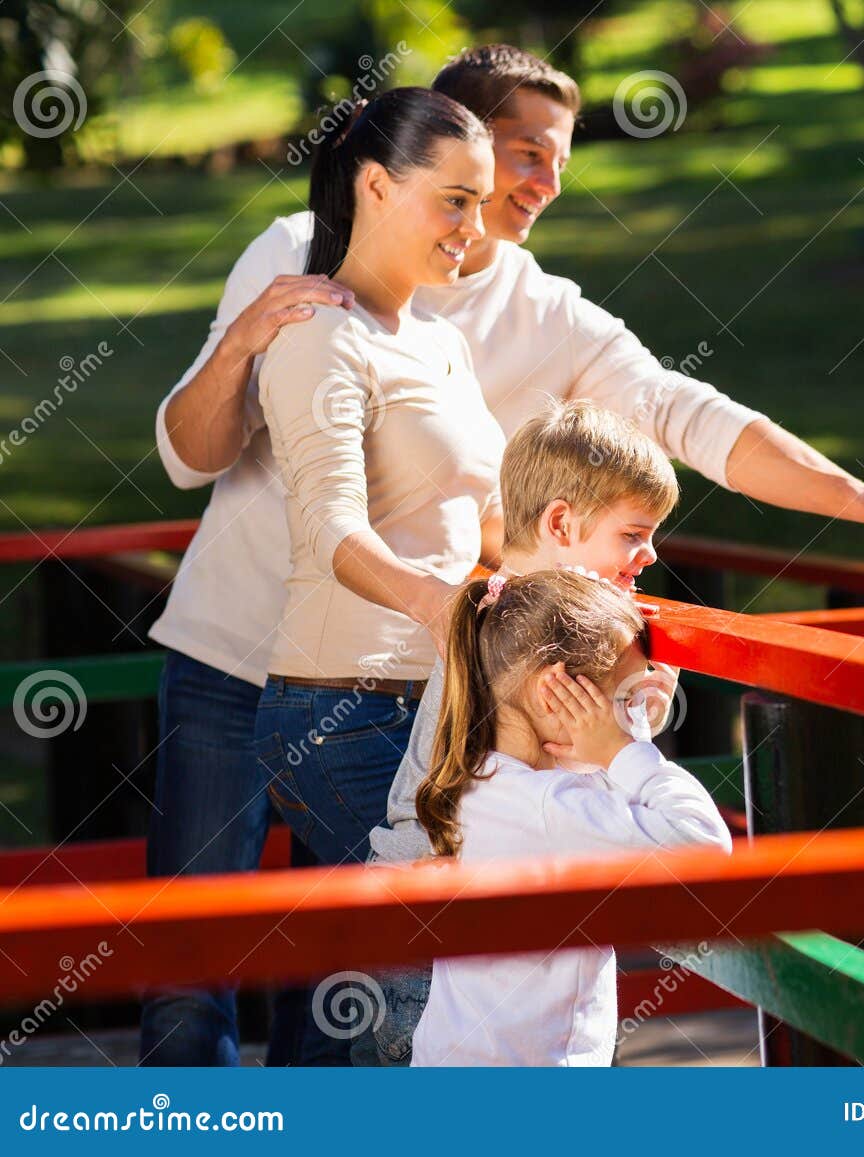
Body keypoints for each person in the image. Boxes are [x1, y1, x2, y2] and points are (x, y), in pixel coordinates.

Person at [144, 45, 864, 1066]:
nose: (543, 183)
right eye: (525, 152)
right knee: (195, 971)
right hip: (242, 654)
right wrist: (243, 341)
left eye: (558, 161)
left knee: (356, 982)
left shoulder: (526, 318)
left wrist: (863, 504)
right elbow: (192, 458)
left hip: (417, 683)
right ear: (427, 146)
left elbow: (676, 416)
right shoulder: (298, 261)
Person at [252, 85, 503, 1065]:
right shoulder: (319, 333)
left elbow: (483, 522)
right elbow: (330, 530)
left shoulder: (441, 341)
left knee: (362, 989)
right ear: (376, 186)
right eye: (455, 200)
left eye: (481, 204)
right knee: (430, 980)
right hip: (343, 714)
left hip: (436, 704)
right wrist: (443, 606)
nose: (474, 227)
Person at [356, 399, 681, 1066]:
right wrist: (639, 720)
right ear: (561, 522)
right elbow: (583, 773)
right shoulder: (543, 641)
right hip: (447, 948)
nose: (650, 554)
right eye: (632, 535)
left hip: (415, 926)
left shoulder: (497, 614)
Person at [409, 570, 732, 1066]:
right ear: (554, 694)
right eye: (624, 701)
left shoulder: (488, 778)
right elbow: (704, 847)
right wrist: (628, 751)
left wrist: (627, 730)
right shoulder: (546, 805)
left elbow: (600, 795)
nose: (631, 718)